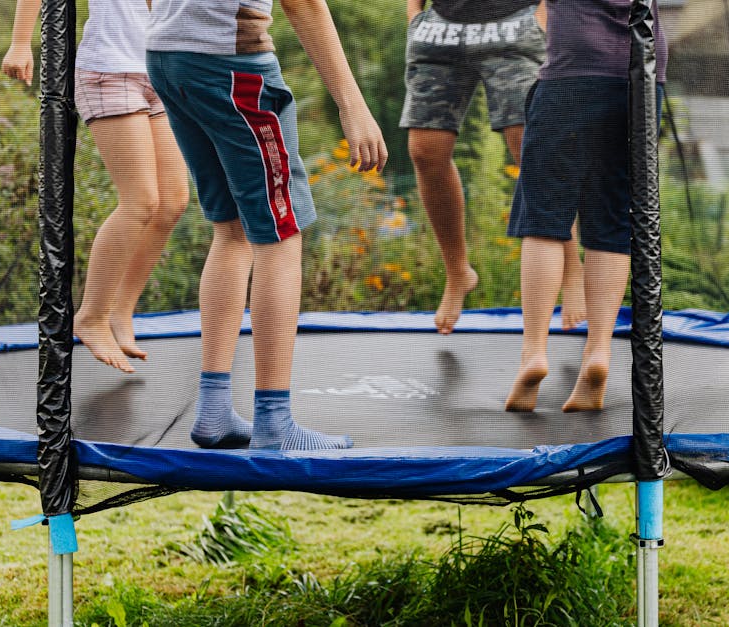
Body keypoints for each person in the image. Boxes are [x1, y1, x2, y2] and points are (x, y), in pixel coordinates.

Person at [146, 0, 388, 450]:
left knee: (231, 227)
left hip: (167, 56)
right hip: (232, 67)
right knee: (281, 232)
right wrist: (353, 106)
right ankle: (275, 422)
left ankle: (214, 409)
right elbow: (304, 3)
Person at [2, 0, 190, 374]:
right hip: (110, 70)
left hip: (162, 71)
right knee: (141, 202)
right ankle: (92, 316)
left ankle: (121, 311)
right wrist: (21, 42)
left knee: (173, 202)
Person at [505, 0, 667, 413]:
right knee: (612, 220)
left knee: (542, 218)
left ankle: (534, 352)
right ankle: (598, 352)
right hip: (643, 75)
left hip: (572, 71)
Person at [402, 0, 586, 334]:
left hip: (514, 23)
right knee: (425, 151)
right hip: (440, 28)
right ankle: (458, 272)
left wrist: (544, 13)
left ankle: (572, 271)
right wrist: (414, 14)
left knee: (530, 145)